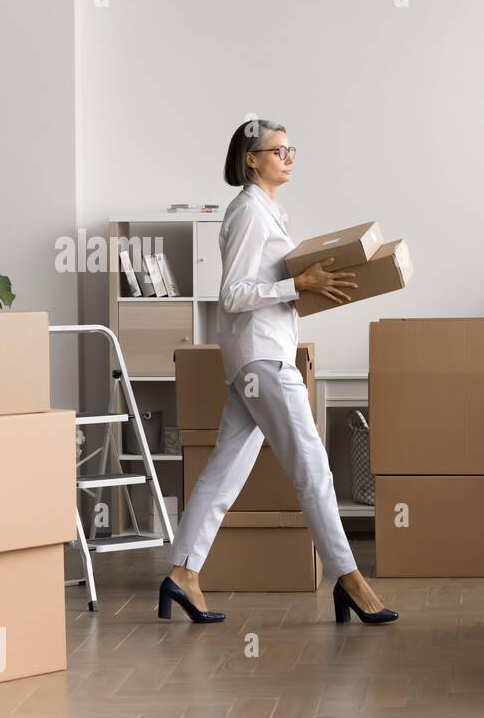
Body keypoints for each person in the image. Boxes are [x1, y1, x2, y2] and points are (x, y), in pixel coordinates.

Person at [157, 119, 396, 626]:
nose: (289, 157)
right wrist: (297, 284)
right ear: (251, 158)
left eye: (292, 149)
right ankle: (350, 579)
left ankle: (182, 573)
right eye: (278, 149)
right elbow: (234, 295)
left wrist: (305, 285)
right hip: (262, 360)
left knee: (224, 473)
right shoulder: (248, 212)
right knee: (313, 467)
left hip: (258, 358)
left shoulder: (269, 211)